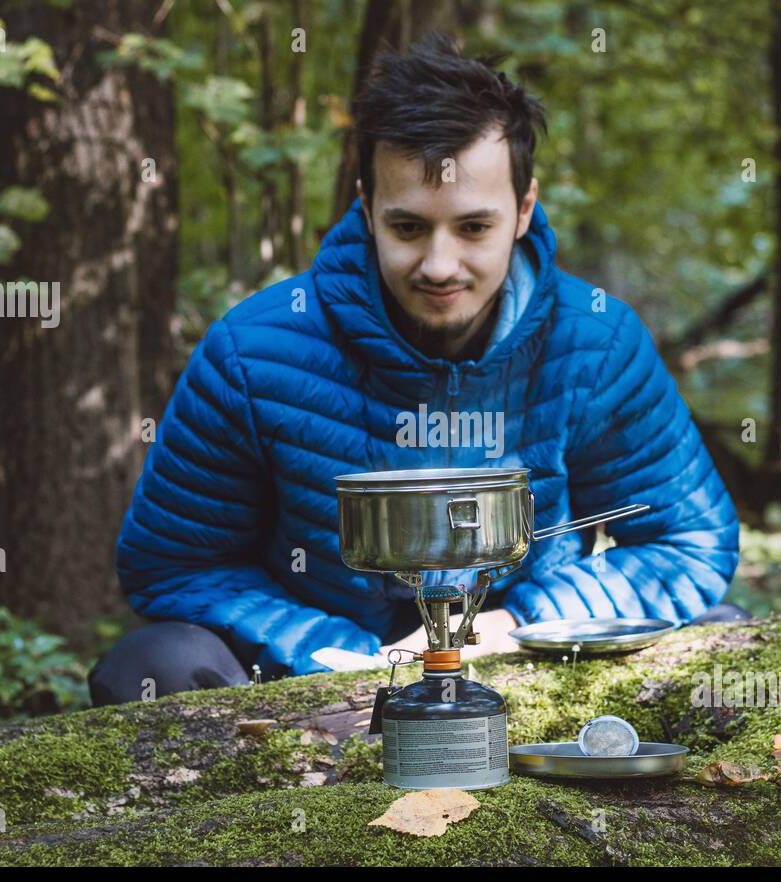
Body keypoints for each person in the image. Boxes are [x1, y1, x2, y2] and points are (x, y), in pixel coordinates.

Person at [89, 33, 742, 707]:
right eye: (407, 228)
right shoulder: (252, 352)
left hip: (534, 667)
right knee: (157, 661)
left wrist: (521, 624)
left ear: (523, 210)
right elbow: (173, 563)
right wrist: (321, 649)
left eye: (472, 228)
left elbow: (689, 542)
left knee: (722, 644)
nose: (437, 265)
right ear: (367, 206)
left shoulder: (596, 342)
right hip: (310, 681)